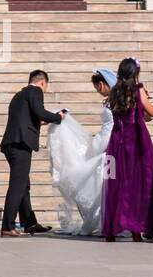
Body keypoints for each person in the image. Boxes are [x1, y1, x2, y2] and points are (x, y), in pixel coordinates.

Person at [49, 68, 117, 236]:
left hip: (108, 147)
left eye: (97, 88)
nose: (98, 92)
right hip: (111, 145)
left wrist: (93, 148)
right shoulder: (118, 100)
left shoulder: (112, 103)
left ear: (101, 85)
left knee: (99, 186)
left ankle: (105, 221)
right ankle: (107, 221)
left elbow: (108, 131)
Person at [0, 70, 64, 238]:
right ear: (42, 82)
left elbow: (31, 117)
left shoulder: (19, 95)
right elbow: (40, 112)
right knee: (17, 186)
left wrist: (41, 120)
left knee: (23, 186)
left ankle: (30, 223)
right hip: (20, 145)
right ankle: (8, 226)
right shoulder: (35, 91)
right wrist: (58, 117)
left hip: (11, 144)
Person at [102, 58, 153, 242]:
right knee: (140, 182)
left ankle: (110, 230)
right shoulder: (138, 89)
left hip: (117, 140)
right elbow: (152, 112)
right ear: (135, 73)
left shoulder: (114, 91)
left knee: (117, 184)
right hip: (136, 140)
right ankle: (136, 229)